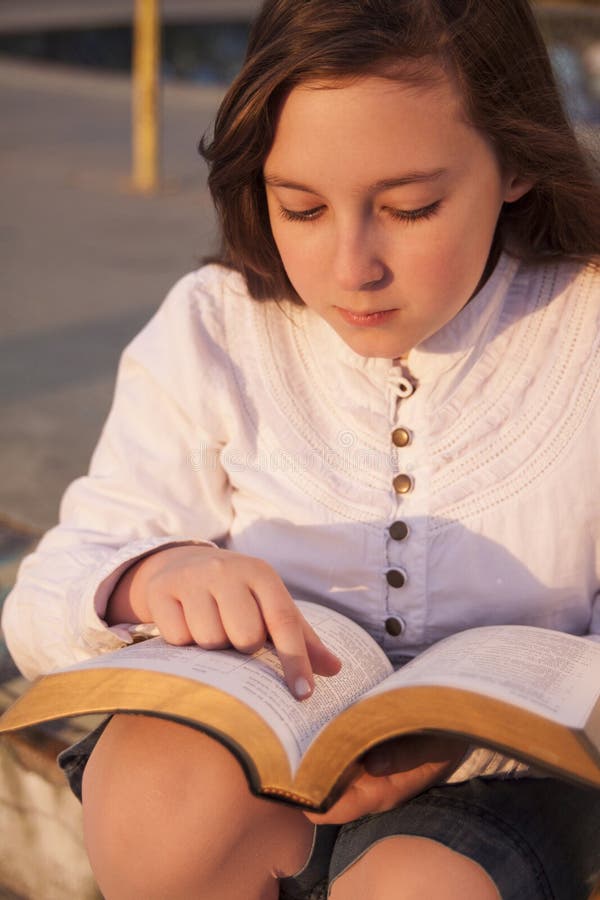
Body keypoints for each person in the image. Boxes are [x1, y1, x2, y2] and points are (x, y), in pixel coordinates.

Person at [3, 0, 600, 897]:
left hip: (499, 788)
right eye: (303, 207)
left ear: (514, 161)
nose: (351, 265)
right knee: (152, 797)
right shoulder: (218, 325)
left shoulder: (584, 326)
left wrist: (465, 731)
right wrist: (150, 575)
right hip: (252, 766)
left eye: (410, 207)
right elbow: (44, 597)